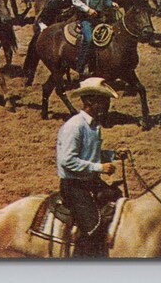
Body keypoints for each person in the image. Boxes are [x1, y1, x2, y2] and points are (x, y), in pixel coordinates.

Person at [56, 77, 123, 258]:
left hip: (90, 182)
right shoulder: (75, 126)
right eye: (103, 100)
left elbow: (91, 153)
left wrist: (113, 155)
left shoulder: (94, 126)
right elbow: (67, 161)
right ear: (89, 101)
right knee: (94, 227)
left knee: (118, 199)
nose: (107, 105)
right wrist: (99, 168)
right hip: (74, 186)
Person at [71, 0, 114, 77]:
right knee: (89, 39)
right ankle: (80, 66)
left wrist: (111, 3)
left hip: (100, 16)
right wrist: (87, 9)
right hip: (86, 17)